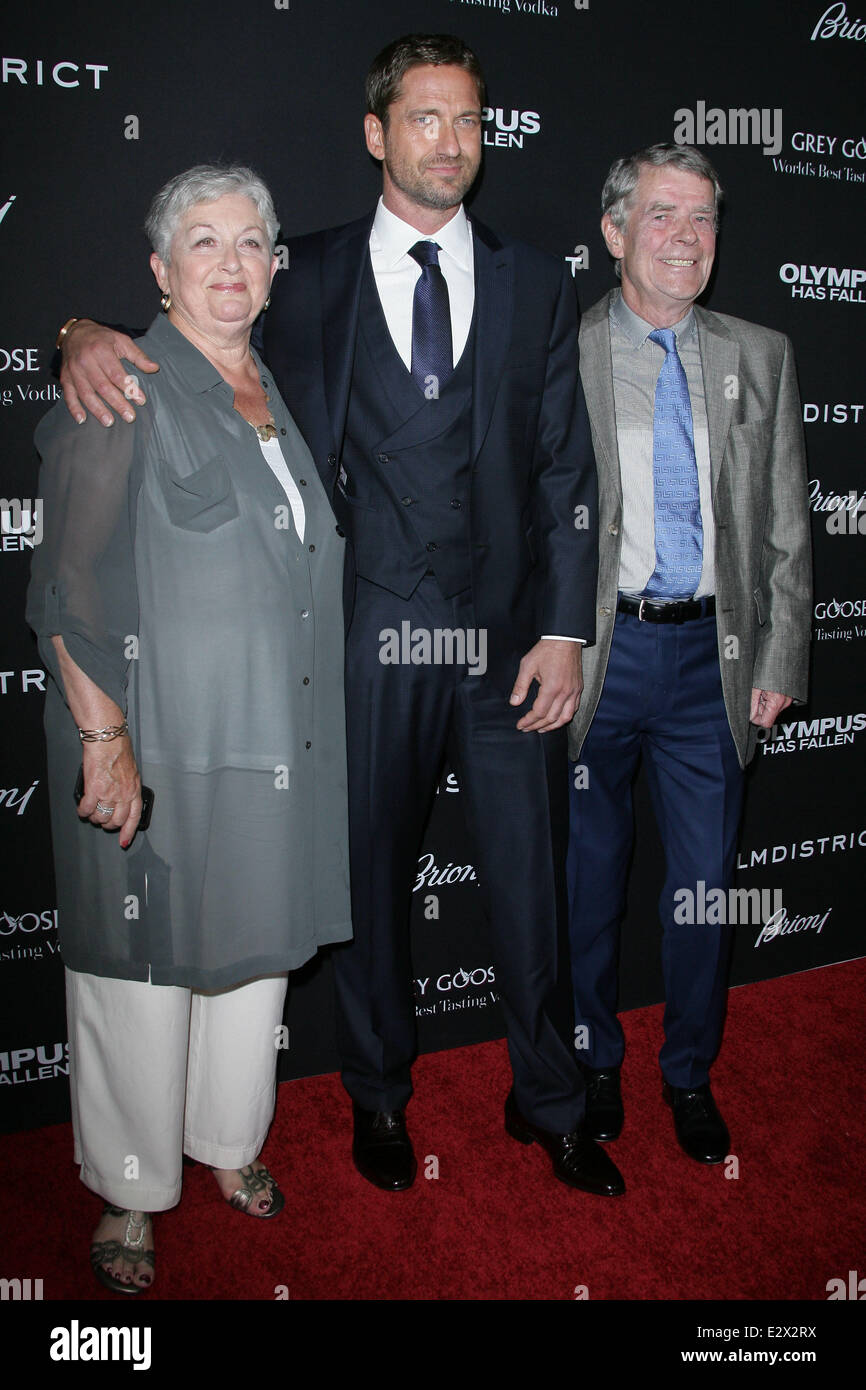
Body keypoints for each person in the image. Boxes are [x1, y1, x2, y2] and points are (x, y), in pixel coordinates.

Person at [58, 35, 624, 1200]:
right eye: (423, 119)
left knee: (530, 882)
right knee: (364, 886)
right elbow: (186, 325)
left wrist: (565, 630)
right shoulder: (295, 272)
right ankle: (377, 1094)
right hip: (356, 642)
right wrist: (79, 332)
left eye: (466, 120)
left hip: (503, 645)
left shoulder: (532, 281)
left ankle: (550, 1097)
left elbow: (567, 471)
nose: (448, 141)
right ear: (376, 135)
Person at [28, 164, 351, 1293]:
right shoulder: (119, 384)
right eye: (200, 242)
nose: (229, 262)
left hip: (271, 746)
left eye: (250, 243)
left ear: (272, 272)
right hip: (151, 746)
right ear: (159, 271)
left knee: (249, 965)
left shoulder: (274, 383)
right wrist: (101, 741)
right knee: (141, 974)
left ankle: (225, 1142)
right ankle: (128, 1187)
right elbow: (62, 592)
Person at [566, 144, 812, 1163]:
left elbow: (787, 528)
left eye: (702, 218)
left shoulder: (759, 353)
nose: (684, 237)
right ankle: (588, 1064)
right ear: (615, 232)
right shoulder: (559, 348)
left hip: (710, 658)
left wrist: (778, 658)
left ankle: (686, 1073)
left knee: (703, 886)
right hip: (595, 656)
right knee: (585, 881)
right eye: (661, 216)